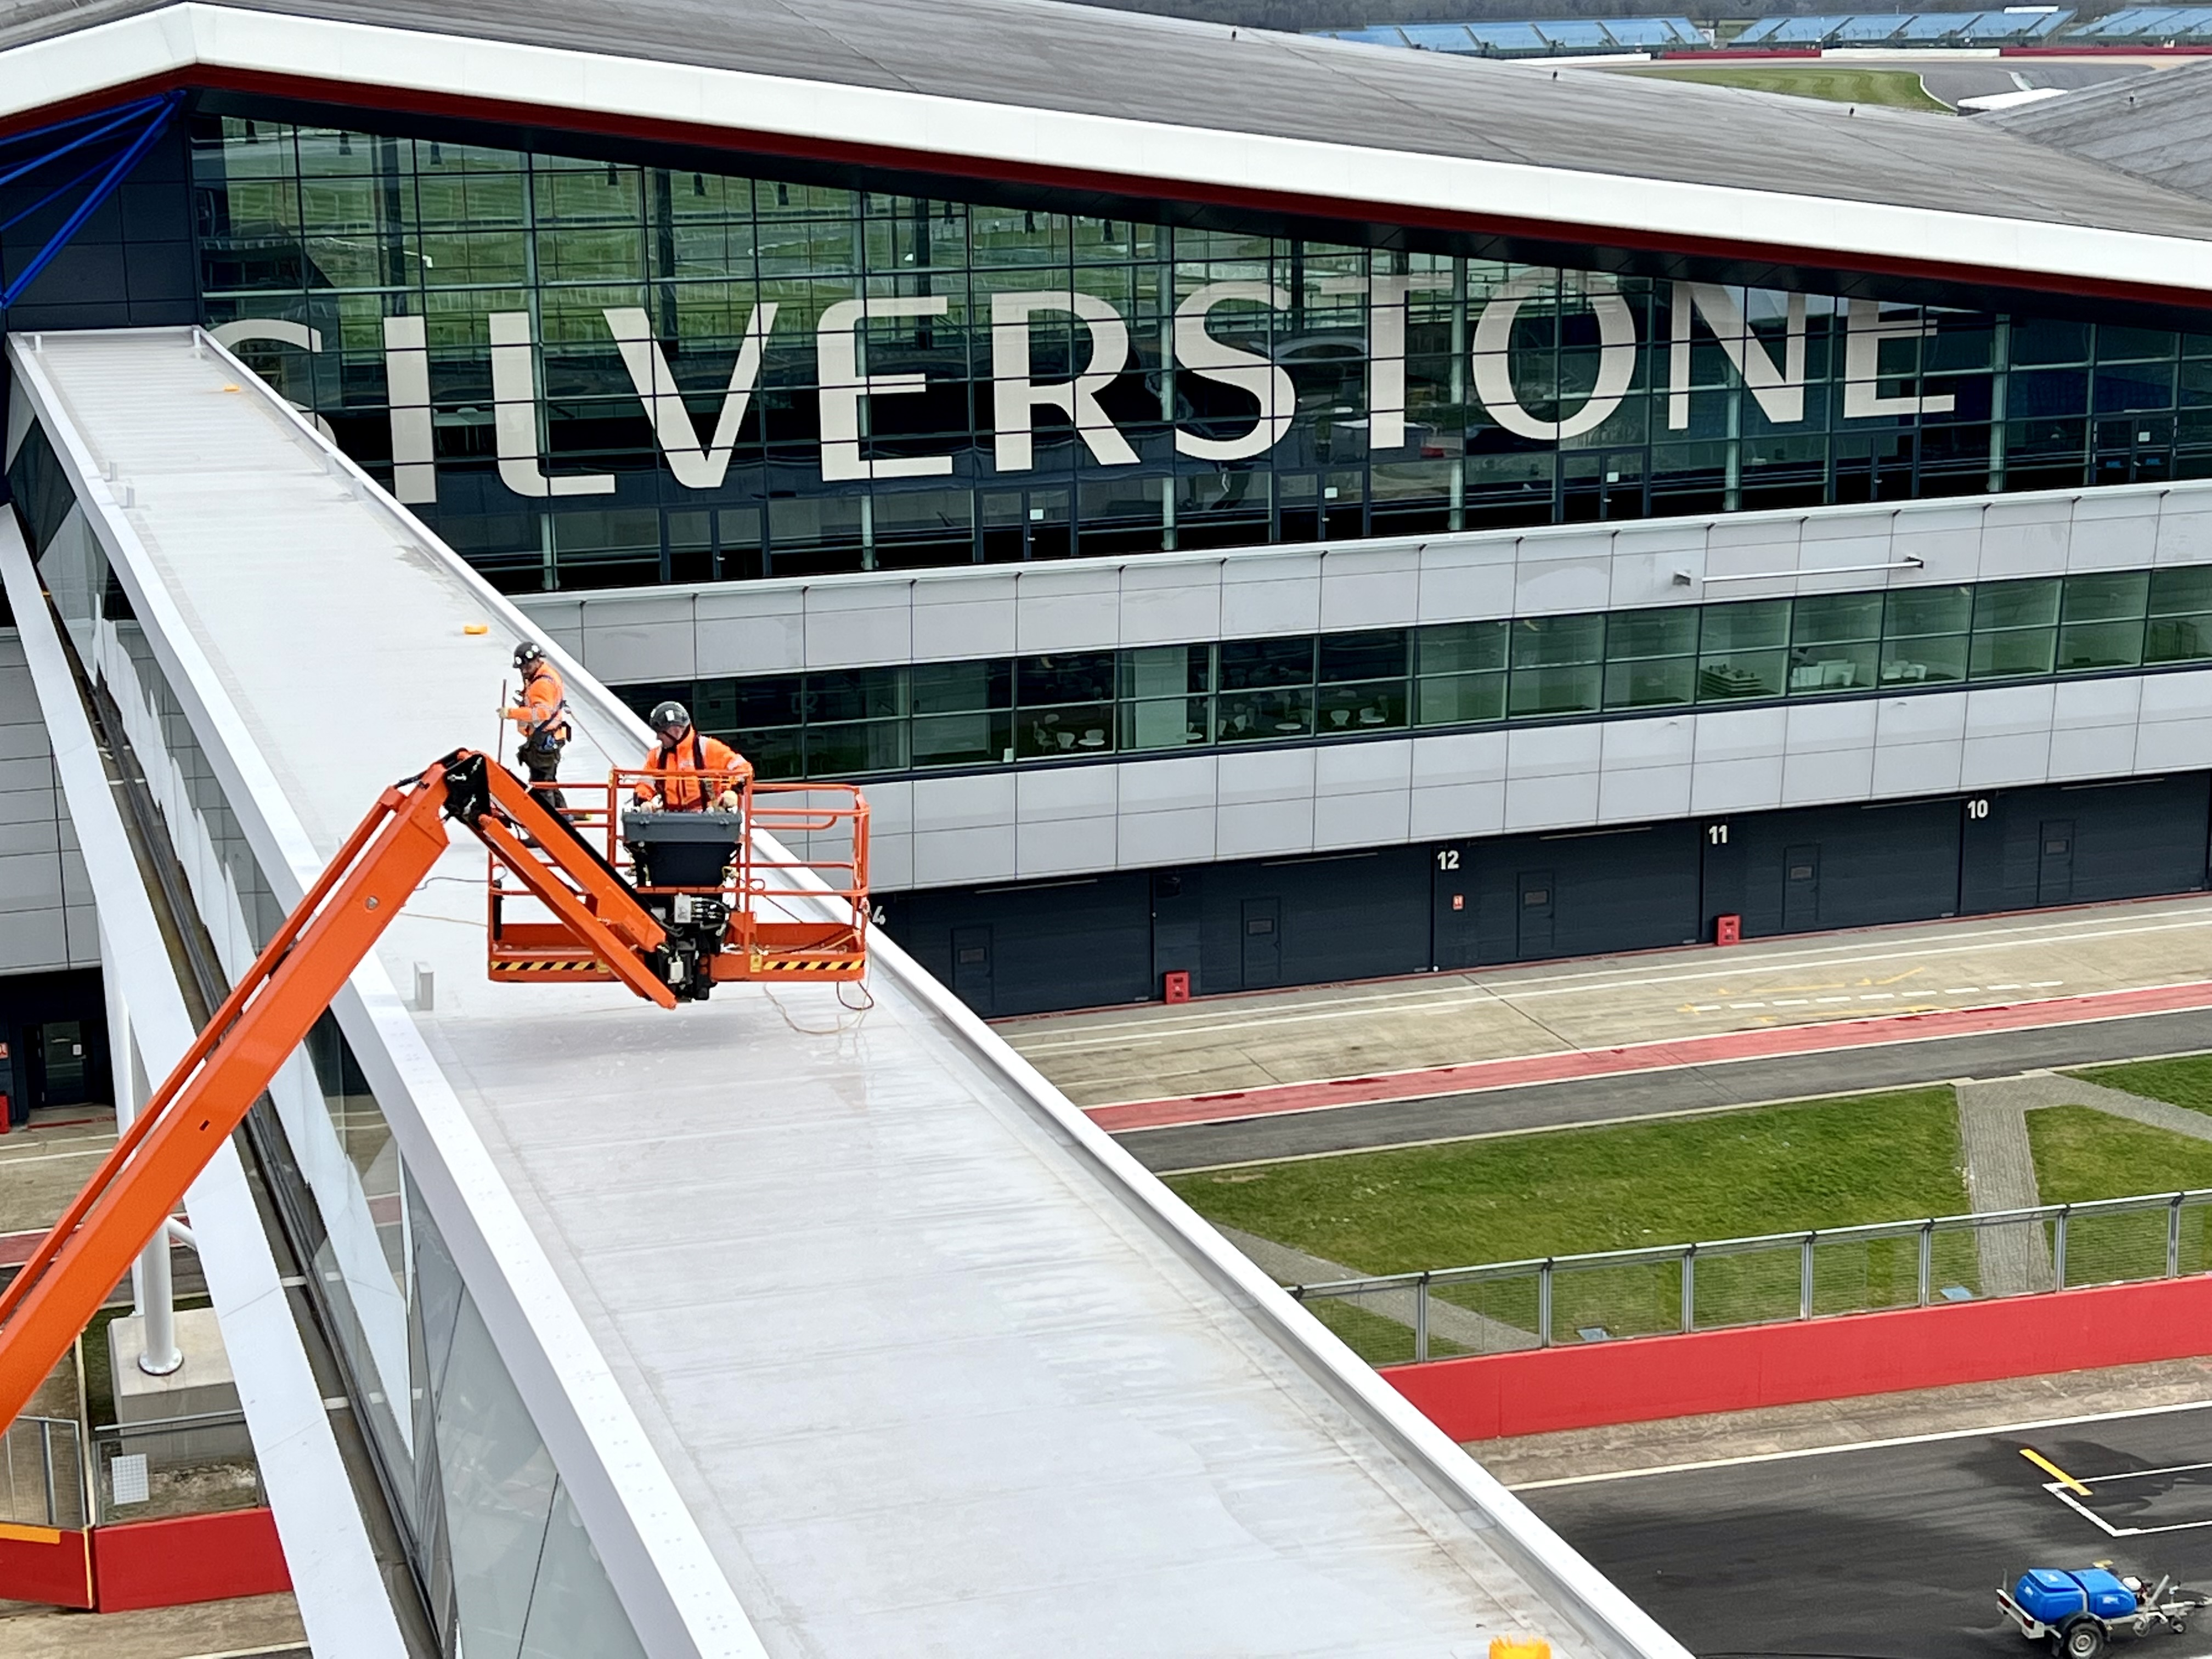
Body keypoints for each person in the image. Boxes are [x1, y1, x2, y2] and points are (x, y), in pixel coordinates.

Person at [633, 701, 749, 811]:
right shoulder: (657, 756)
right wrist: (644, 801)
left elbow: (744, 769)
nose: (658, 737)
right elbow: (645, 783)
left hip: (708, 820)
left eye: (661, 732)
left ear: (675, 730)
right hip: (670, 820)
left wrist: (733, 791)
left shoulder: (707, 748)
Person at [504, 642, 570, 785]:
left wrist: (512, 713)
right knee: (548, 783)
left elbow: (542, 714)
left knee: (542, 786)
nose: (524, 671)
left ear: (537, 660)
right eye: (522, 668)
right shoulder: (543, 676)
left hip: (545, 739)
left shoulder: (542, 683)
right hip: (548, 737)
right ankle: (558, 808)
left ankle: (551, 808)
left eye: (527, 667)